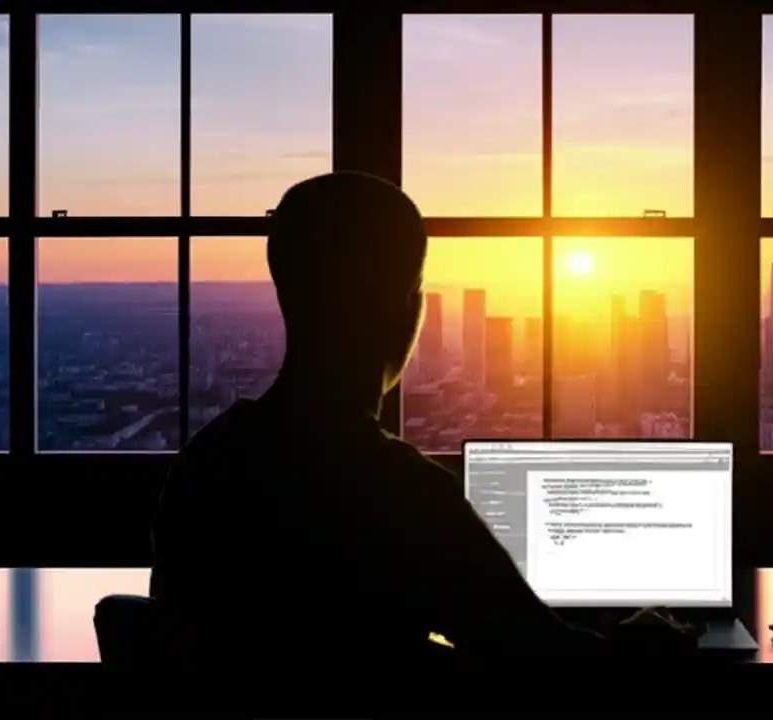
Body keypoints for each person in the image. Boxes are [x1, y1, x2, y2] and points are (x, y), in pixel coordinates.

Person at [149, 172, 691, 672]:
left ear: (285, 294)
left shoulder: (203, 465)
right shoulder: (404, 492)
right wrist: (643, 643)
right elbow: (545, 658)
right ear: (408, 307)